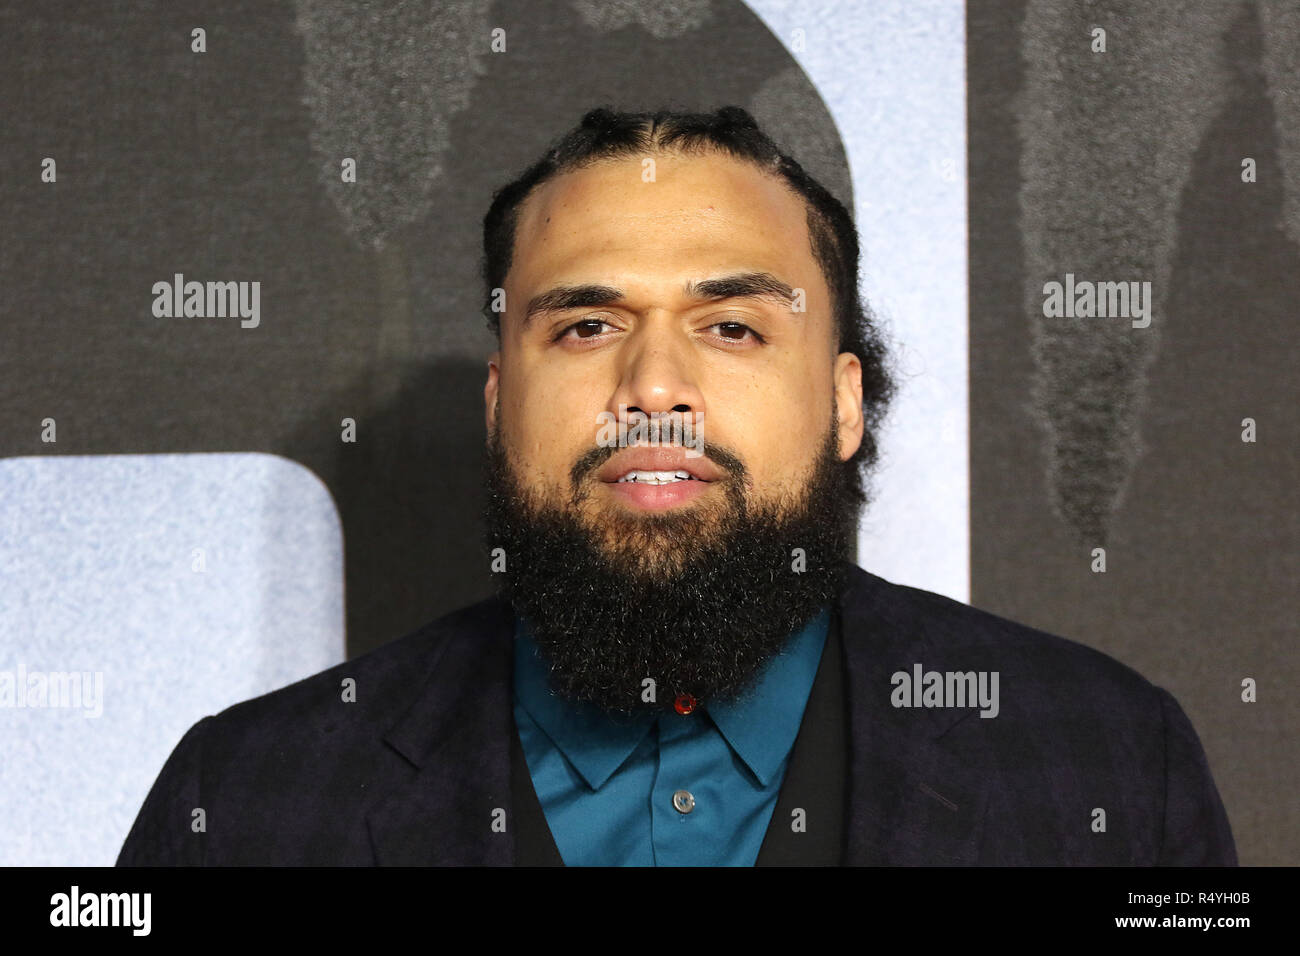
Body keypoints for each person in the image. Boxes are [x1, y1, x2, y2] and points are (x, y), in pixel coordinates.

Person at [117, 106, 1236, 866]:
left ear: (844, 401)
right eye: (587, 325)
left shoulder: (1107, 763)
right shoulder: (247, 805)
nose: (654, 387)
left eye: (733, 326)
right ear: (499, 403)